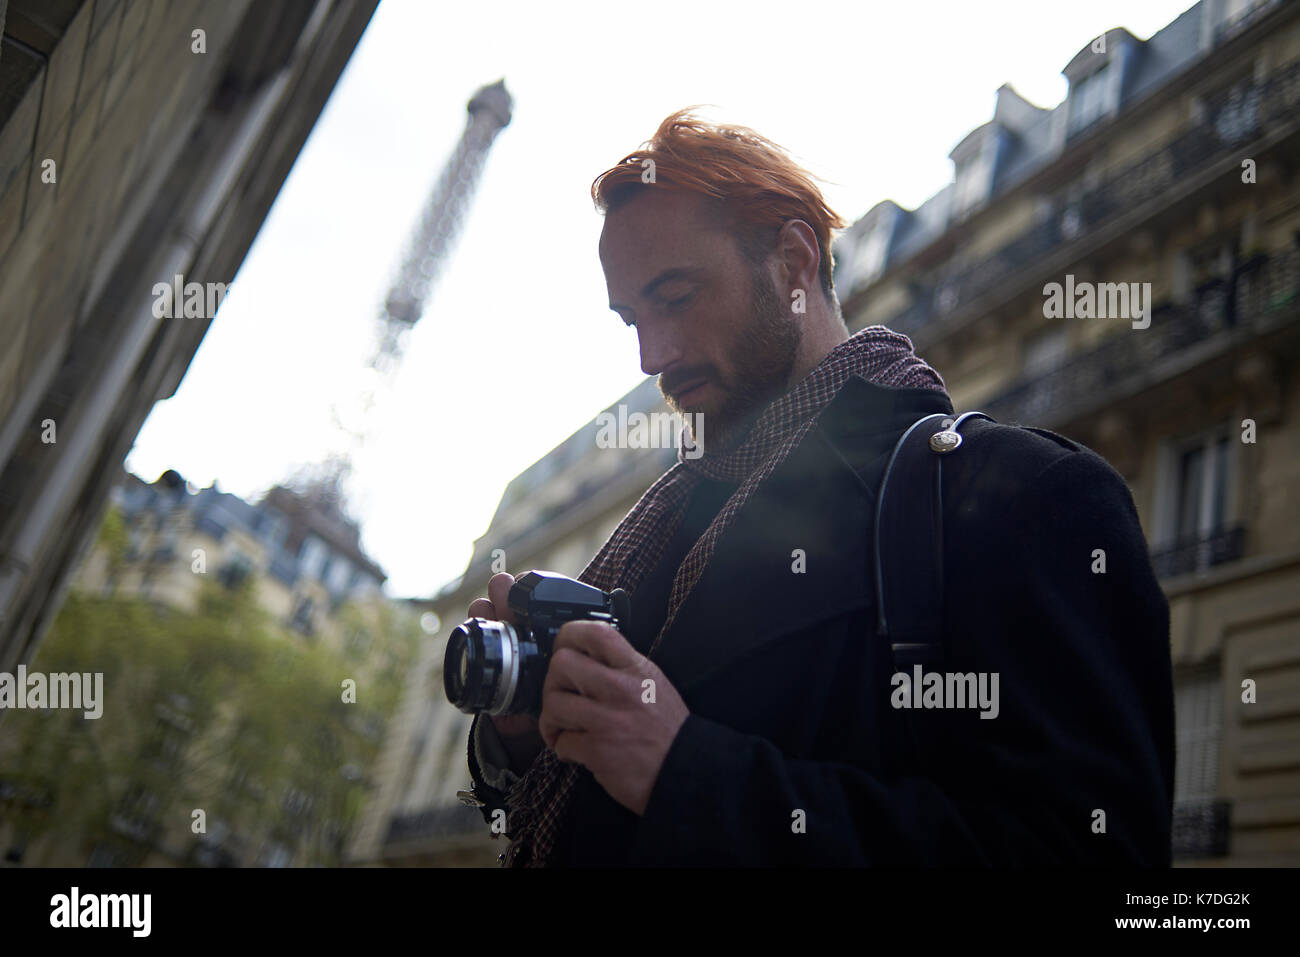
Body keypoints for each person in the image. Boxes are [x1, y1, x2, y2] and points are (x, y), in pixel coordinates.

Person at [462, 108, 1174, 867]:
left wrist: (689, 774)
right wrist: (525, 727)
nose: (651, 354)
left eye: (675, 296)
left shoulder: (1022, 493)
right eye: (631, 317)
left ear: (795, 265)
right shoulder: (661, 528)